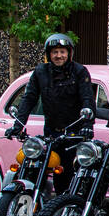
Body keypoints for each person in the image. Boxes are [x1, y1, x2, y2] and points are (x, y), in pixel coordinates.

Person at [8, 33, 94, 192]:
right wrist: (18, 124)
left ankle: (64, 209)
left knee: (64, 175)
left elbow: (87, 99)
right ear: (49, 54)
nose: (59, 55)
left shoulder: (80, 71)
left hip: (73, 132)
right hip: (50, 131)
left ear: (69, 53)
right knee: (35, 167)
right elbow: (29, 98)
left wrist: (88, 125)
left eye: (62, 51)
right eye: (55, 52)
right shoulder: (41, 71)